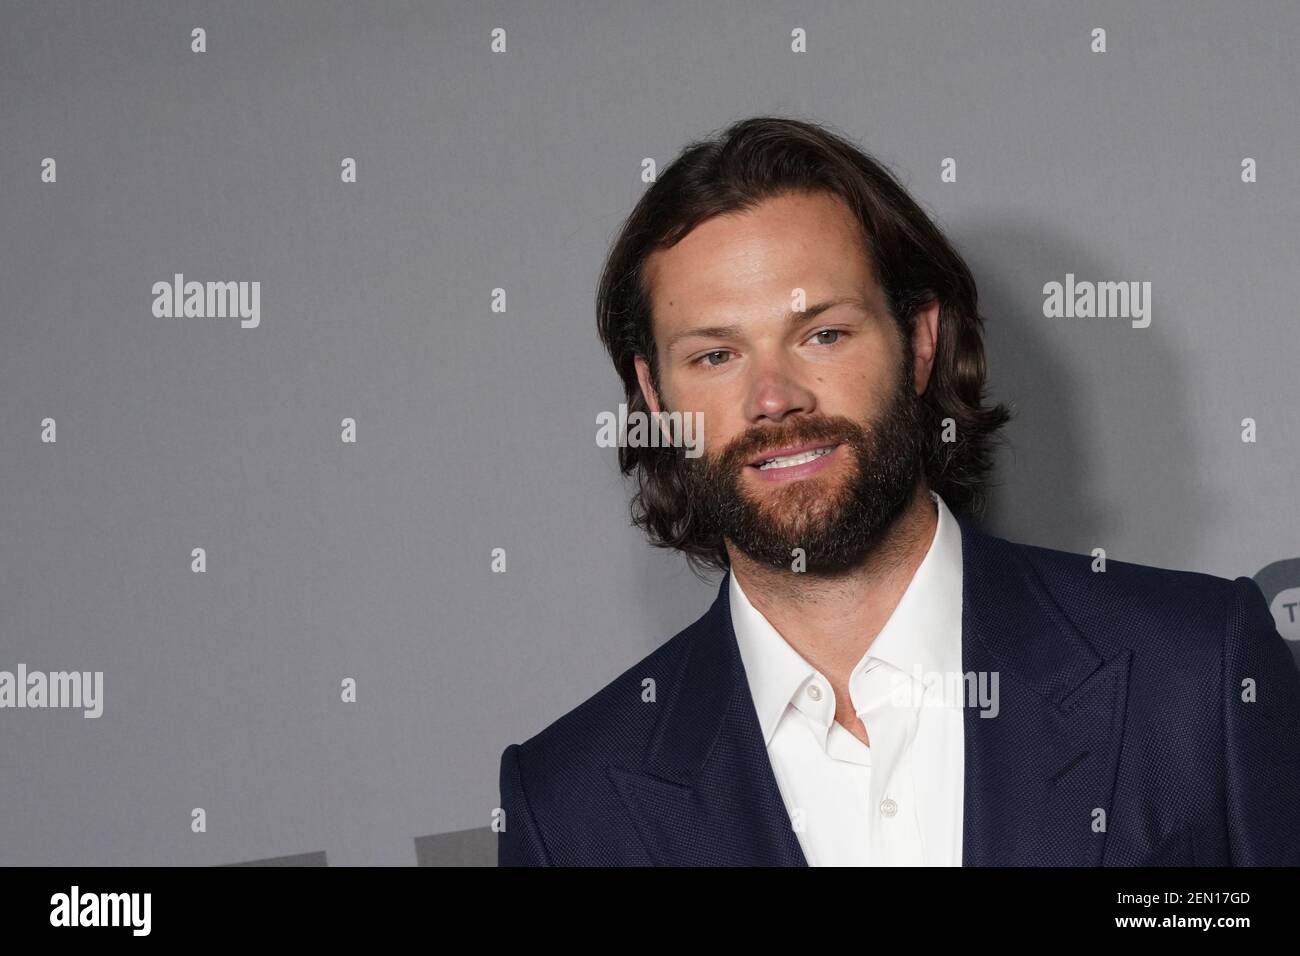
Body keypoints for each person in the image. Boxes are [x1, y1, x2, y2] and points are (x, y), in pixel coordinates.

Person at [497, 116, 1300, 866]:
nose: (774, 398)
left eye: (823, 334)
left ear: (918, 342)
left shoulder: (1195, 673)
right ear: (655, 394)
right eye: (715, 355)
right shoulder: (568, 807)